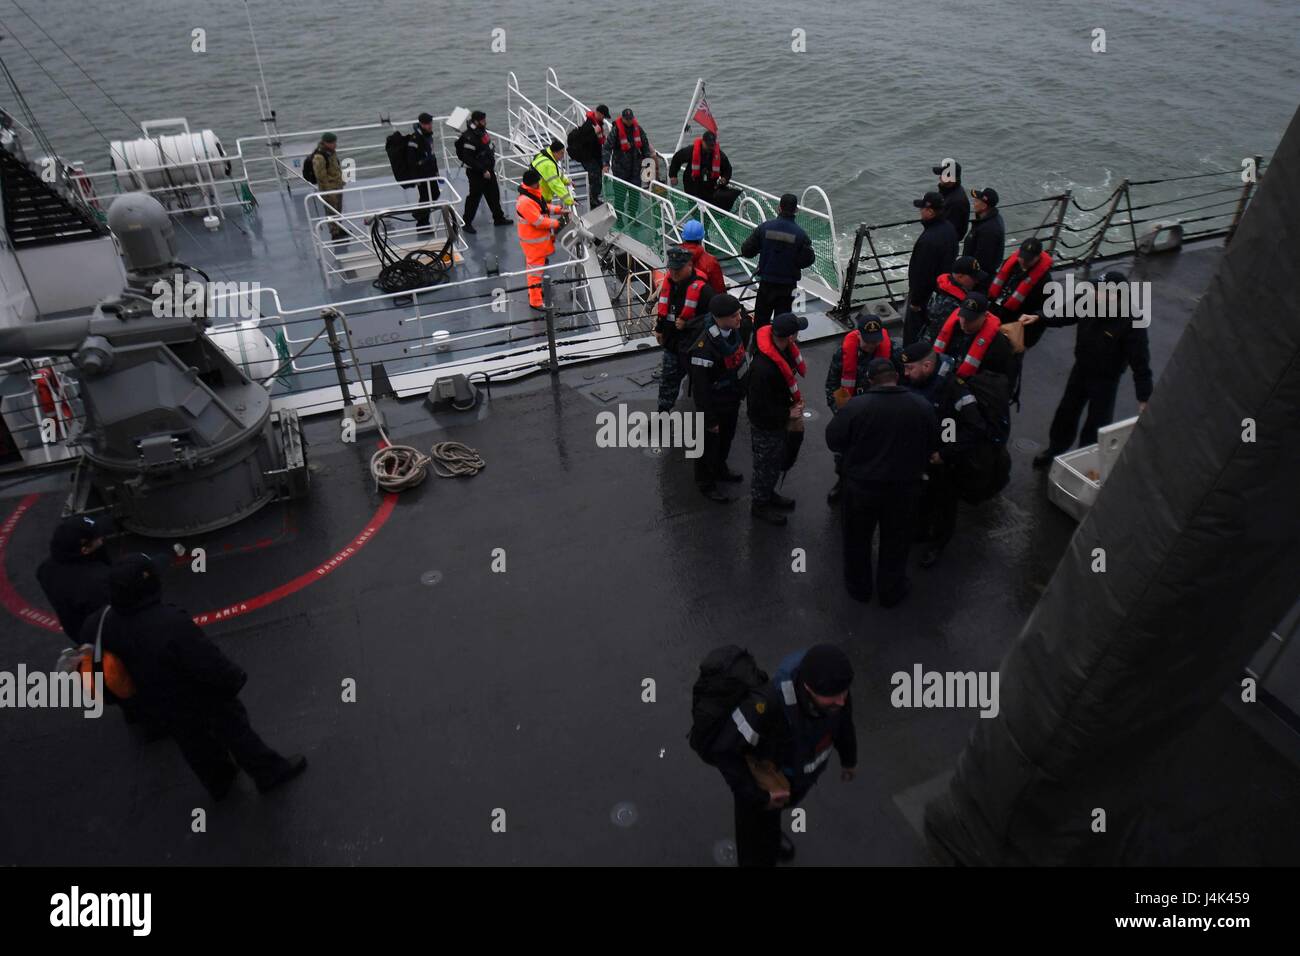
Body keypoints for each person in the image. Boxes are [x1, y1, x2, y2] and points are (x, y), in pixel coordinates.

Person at [85, 554, 307, 800]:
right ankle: (268, 773)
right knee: (235, 730)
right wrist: (232, 679)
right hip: (197, 694)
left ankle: (219, 782)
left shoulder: (101, 623)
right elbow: (205, 660)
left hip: (157, 701)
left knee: (192, 742)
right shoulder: (170, 623)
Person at [708, 644, 857, 867]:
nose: (842, 701)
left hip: (790, 784)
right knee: (753, 840)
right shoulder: (767, 706)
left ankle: (772, 839)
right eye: (833, 697)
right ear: (807, 688)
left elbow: (844, 725)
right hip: (762, 790)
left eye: (844, 693)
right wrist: (760, 797)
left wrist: (849, 759)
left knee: (771, 820)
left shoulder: (835, 692)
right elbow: (725, 752)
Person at [826, 358, 936, 605]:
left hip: (862, 487)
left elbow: (833, 440)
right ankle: (891, 590)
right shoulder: (922, 405)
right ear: (897, 377)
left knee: (856, 539)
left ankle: (858, 587)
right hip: (904, 488)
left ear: (870, 381)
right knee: (896, 541)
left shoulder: (855, 407)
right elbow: (934, 441)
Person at [1032, 271, 1154, 468]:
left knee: (1097, 422)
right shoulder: (1088, 301)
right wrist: (1038, 317)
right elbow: (1063, 314)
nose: (1094, 292)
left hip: (1106, 378)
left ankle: (1082, 461)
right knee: (1066, 411)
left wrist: (1144, 398)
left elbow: (1140, 362)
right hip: (1081, 368)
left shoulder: (1132, 321)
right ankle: (1056, 448)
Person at [903, 343, 1009, 568]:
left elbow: (974, 428)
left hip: (945, 461)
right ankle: (921, 530)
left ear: (928, 365)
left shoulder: (954, 390)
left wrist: (945, 453)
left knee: (945, 503)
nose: (906, 373)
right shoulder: (917, 381)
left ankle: (938, 543)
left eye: (910, 368)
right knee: (923, 497)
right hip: (921, 455)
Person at [825, 316, 894, 503]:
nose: (871, 346)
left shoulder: (892, 351)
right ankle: (842, 482)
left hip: (879, 415)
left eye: (875, 341)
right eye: (868, 341)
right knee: (843, 454)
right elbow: (832, 385)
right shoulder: (844, 353)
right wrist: (841, 413)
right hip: (851, 414)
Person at [747, 312, 807, 525]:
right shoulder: (762, 369)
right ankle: (759, 504)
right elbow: (757, 407)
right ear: (790, 337)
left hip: (778, 418)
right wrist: (787, 414)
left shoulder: (782, 352)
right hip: (766, 425)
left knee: (774, 462)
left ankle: (768, 493)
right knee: (765, 464)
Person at [688, 294, 750, 501]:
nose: (739, 319)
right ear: (719, 318)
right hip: (715, 403)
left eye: (738, 314)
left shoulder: (733, 332)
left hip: (731, 398)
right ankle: (706, 483)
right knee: (707, 446)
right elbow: (700, 388)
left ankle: (720, 468)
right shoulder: (704, 348)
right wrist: (709, 419)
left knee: (726, 439)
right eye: (734, 316)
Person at [740, 194, 815, 329]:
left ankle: (758, 348)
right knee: (783, 325)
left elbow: (746, 251)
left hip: (766, 285)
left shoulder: (764, 228)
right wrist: (792, 261)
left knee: (760, 324)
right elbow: (809, 259)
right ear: (795, 210)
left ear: (779, 208)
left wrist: (764, 249)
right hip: (787, 287)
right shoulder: (800, 234)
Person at [36, 514, 112, 646]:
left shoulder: (45, 569)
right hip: (102, 637)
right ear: (85, 550)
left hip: (76, 629)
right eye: (98, 539)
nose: (101, 540)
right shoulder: (97, 582)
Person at [655, 246, 715, 411]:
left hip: (694, 348)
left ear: (690, 266)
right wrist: (659, 328)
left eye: (679, 269)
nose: (674, 273)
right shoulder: (669, 286)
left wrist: (688, 324)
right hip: (673, 345)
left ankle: (706, 417)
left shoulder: (704, 291)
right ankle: (662, 413)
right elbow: (664, 310)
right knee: (667, 382)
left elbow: (711, 319)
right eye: (672, 269)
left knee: (701, 385)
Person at [905, 191, 958, 344]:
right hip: (940, 292)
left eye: (922, 208)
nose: (920, 211)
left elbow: (922, 273)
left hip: (924, 297)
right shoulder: (949, 228)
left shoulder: (928, 240)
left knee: (913, 332)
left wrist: (915, 301)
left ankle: (909, 360)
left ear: (930, 211)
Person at [932, 291, 1016, 380]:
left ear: (985, 316)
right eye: (962, 316)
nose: (964, 323)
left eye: (971, 319)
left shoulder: (998, 343)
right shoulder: (949, 326)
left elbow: (998, 377)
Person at [515, 167, 565, 312]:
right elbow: (538, 221)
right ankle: (536, 301)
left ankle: (533, 292)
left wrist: (558, 210)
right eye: (538, 182)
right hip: (534, 244)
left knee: (536, 271)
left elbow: (542, 207)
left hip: (537, 243)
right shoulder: (525, 202)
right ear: (533, 184)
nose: (540, 184)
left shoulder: (531, 195)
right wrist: (557, 223)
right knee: (535, 273)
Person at [988, 237, 1054, 345]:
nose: (1023, 261)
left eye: (1028, 259)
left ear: (1038, 257)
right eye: (1022, 257)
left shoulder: (1046, 283)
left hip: (1016, 323)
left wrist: (1027, 339)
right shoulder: (1011, 264)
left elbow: (1046, 311)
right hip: (997, 312)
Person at [454, 110, 511, 232]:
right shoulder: (469, 137)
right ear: (475, 121)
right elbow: (468, 158)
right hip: (477, 173)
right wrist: (483, 170)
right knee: (474, 198)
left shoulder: (481, 132)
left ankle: (499, 218)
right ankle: (467, 223)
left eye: (485, 120)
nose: (485, 122)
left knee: (494, 195)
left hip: (488, 170)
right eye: (482, 120)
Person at [602, 108, 653, 221]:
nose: (629, 121)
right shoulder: (616, 131)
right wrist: (606, 163)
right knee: (620, 195)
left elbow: (645, 146)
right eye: (627, 119)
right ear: (623, 119)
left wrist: (647, 164)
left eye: (631, 119)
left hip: (635, 168)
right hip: (620, 169)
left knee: (634, 195)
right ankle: (618, 217)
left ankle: (632, 217)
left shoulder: (638, 130)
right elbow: (607, 148)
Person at [925, 255, 988, 341]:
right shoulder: (949, 303)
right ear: (960, 276)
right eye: (973, 278)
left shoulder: (945, 289)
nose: (977, 281)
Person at [669, 130, 732, 206]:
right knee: (694, 207)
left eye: (712, 145)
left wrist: (725, 178)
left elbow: (727, 169)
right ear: (703, 141)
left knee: (708, 208)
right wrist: (673, 175)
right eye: (708, 145)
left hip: (709, 187)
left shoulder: (719, 155)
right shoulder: (690, 151)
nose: (710, 148)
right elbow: (677, 159)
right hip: (692, 185)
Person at [405, 112, 441, 233]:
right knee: (426, 197)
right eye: (427, 123)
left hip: (431, 172)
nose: (430, 125)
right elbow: (411, 160)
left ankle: (418, 214)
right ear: (421, 124)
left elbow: (432, 155)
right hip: (422, 174)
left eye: (430, 123)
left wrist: (436, 171)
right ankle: (422, 225)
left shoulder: (428, 136)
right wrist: (417, 178)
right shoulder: (415, 139)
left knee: (435, 194)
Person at [567, 105, 610, 207]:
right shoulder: (589, 125)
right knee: (595, 178)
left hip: (594, 156)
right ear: (599, 114)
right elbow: (584, 142)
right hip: (587, 157)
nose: (604, 119)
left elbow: (597, 142)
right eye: (603, 116)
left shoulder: (597, 123)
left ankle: (594, 197)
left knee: (596, 177)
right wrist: (594, 134)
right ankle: (593, 200)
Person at [963, 187, 1005, 289]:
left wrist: (969, 278)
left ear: (985, 206)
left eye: (977, 201)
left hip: (978, 280)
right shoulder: (989, 219)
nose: (974, 203)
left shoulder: (989, 230)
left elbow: (982, 260)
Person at [311, 132, 346, 241]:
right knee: (331, 210)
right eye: (332, 143)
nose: (335, 144)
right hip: (329, 189)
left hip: (337, 185)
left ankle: (339, 228)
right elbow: (321, 176)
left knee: (338, 209)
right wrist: (328, 192)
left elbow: (335, 167)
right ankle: (334, 233)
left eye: (335, 142)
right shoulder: (320, 156)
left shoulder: (331, 152)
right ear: (325, 143)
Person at [679, 219, 725, 293]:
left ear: (683, 237)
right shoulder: (711, 262)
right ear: (701, 238)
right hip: (704, 302)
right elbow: (719, 290)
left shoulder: (674, 257)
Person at [531, 138, 575, 210]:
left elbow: (555, 174)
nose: (563, 156)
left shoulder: (544, 156)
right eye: (561, 153)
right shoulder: (548, 164)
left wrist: (567, 181)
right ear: (555, 152)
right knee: (542, 218)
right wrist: (570, 201)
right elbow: (556, 184)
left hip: (536, 195)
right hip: (539, 198)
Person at [933, 161, 969, 241]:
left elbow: (949, 232)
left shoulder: (956, 202)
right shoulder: (948, 191)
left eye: (943, 175)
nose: (939, 177)